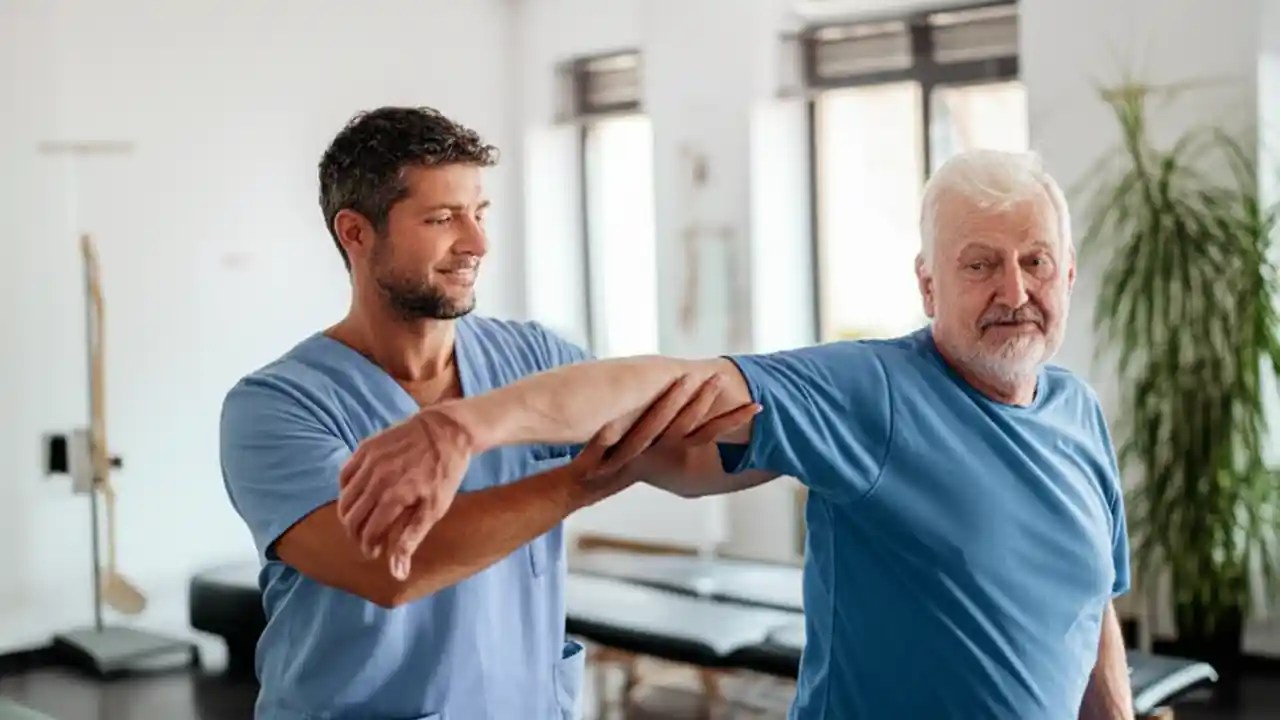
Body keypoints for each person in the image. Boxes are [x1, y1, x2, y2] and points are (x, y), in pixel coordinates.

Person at [337, 149, 1137, 719]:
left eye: (1036, 262)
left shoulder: (1077, 412)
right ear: (927, 284)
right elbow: (671, 382)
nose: (1014, 289)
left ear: (1068, 273)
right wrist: (463, 425)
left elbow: (1091, 602)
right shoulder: (874, 392)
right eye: (979, 265)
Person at [218, 106, 759, 720]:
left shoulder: (537, 357)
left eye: (479, 214)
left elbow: (686, 461)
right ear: (356, 233)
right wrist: (578, 483)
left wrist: (812, 438)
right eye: (442, 218)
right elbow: (387, 570)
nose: (476, 243)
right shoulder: (277, 405)